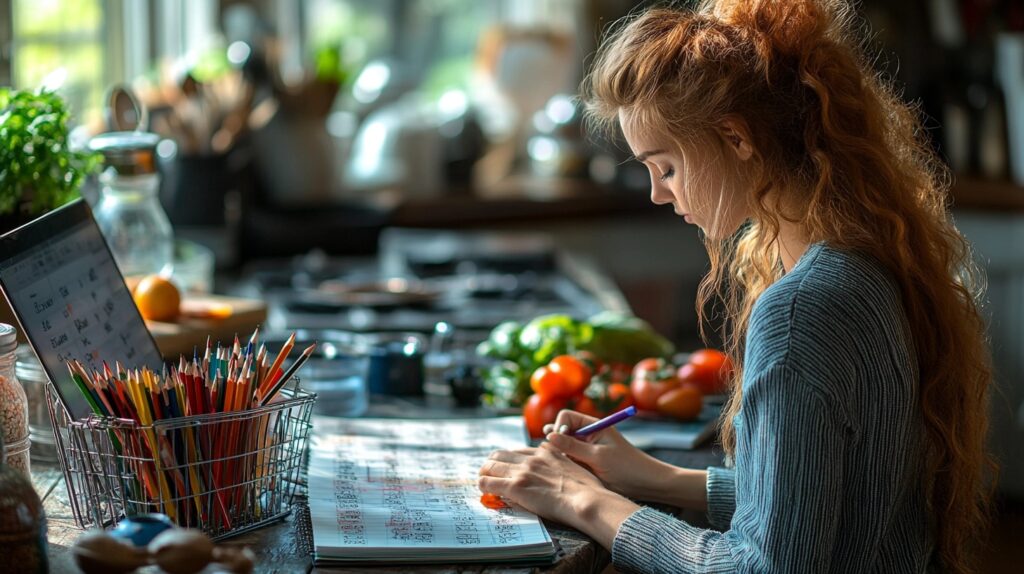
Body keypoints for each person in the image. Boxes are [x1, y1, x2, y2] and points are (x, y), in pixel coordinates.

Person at [477, 1, 995, 572]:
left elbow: (762, 565)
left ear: (735, 136)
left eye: (665, 167)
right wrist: (655, 477)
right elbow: (820, 507)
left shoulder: (801, 311)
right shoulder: (858, 265)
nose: (657, 193)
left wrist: (583, 501)